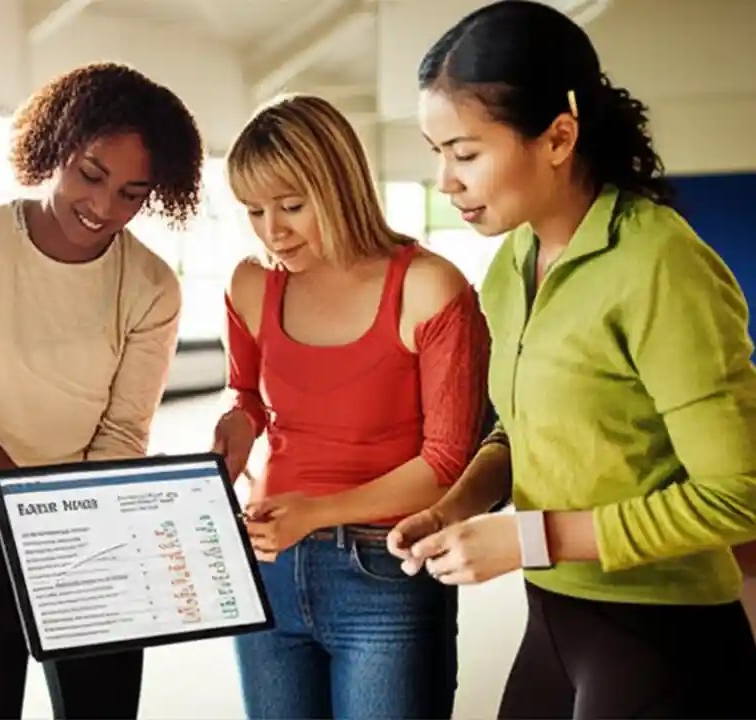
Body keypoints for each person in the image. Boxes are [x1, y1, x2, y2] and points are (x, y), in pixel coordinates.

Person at [387, 2, 756, 717]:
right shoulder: (514, 260)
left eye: (465, 153)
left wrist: (530, 536)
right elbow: (520, 430)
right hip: (553, 618)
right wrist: (456, 506)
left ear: (558, 137)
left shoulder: (660, 264)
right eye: (436, 153)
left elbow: (740, 492)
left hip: (667, 638)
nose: (445, 181)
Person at [0, 62, 203, 719]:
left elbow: (121, 433)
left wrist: (67, 526)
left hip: (94, 547)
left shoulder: (153, 287)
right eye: (91, 175)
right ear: (55, 146)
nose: (103, 208)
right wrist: (25, 508)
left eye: (132, 194)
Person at [210, 93, 490, 719]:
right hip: (268, 562)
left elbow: (445, 463)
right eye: (253, 211)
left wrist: (316, 512)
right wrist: (234, 427)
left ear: (338, 186)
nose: (271, 230)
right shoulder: (252, 283)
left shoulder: (427, 286)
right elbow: (248, 395)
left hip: (383, 571)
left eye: (290, 205)